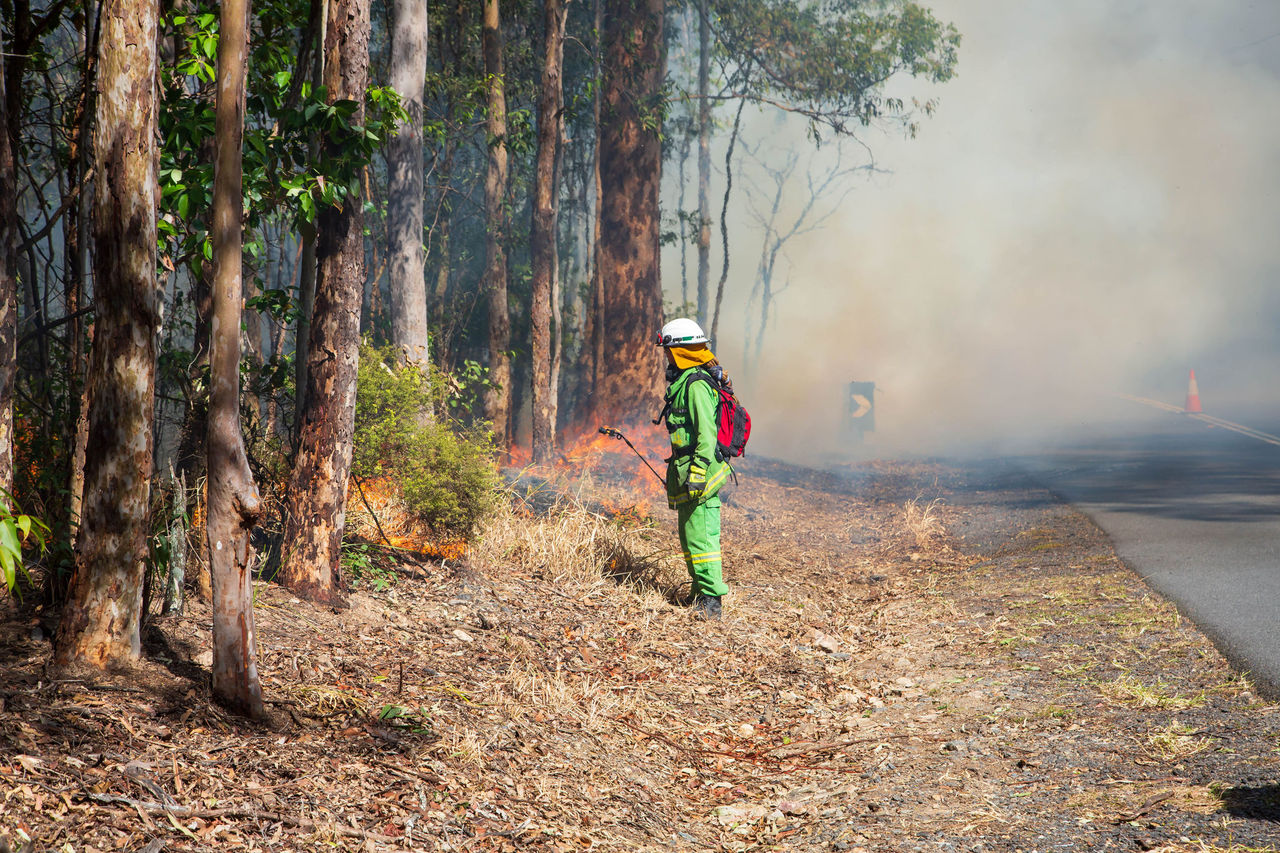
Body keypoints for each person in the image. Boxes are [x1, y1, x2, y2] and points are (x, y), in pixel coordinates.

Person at [655, 318, 732, 619]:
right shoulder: (685, 382)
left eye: (668, 352)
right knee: (691, 535)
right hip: (688, 470)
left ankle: (712, 601)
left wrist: (698, 472)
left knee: (701, 537)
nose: (666, 359)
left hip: (700, 472)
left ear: (680, 352)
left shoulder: (696, 385)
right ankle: (700, 591)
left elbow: (705, 434)